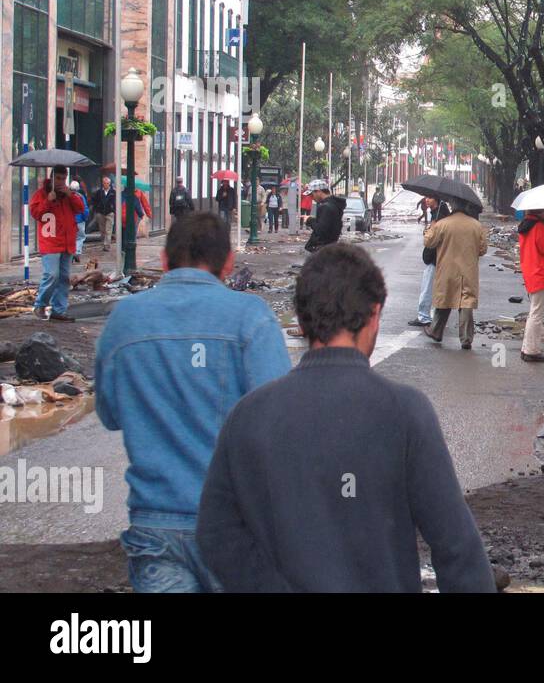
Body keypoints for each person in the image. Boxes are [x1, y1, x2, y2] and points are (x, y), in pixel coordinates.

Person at [197, 244, 494, 593]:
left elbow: (215, 533)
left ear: (302, 319)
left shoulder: (248, 415)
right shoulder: (405, 412)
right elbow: (456, 548)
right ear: (374, 314)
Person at [95, 212, 291, 592]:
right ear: (229, 264)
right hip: (235, 525)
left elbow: (110, 414)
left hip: (155, 523)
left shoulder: (124, 320)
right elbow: (279, 425)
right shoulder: (250, 319)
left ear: (164, 262)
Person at [424, 200, 488, 350]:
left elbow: (429, 242)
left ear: (453, 207)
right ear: (467, 207)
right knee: (466, 302)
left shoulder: (442, 224)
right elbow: (483, 249)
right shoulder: (476, 226)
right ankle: (466, 338)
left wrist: (430, 228)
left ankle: (436, 331)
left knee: (445, 299)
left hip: (447, 269)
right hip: (468, 270)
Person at [30, 166, 85, 322]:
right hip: (50, 242)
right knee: (51, 275)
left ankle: (58, 310)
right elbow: (36, 214)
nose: (61, 182)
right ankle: (41, 304)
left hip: (67, 242)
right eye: (58, 178)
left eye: (63, 178)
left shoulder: (69, 194)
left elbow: (81, 209)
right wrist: (48, 201)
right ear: (52, 178)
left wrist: (71, 195)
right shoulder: (41, 194)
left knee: (64, 278)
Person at [518, 209, 544, 363]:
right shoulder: (539, 227)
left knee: (533, 312)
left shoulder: (525, 225)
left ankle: (526, 347)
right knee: (536, 314)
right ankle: (531, 350)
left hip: (530, 271)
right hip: (539, 272)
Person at [409, 197, 450, 328]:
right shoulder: (437, 213)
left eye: (430, 198)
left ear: (437, 200)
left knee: (427, 287)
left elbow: (433, 239)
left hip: (435, 257)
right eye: (426, 197)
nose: (426, 200)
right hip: (438, 257)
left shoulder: (440, 216)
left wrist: (428, 232)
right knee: (435, 288)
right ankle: (430, 315)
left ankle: (424, 317)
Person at [304, 180, 346, 252]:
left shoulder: (326, 207)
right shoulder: (335, 205)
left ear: (319, 192)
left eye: (312, 194)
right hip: (329, 246)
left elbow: (321, 230)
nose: (312, 197)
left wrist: (309, 220)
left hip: (322, 248)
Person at [90, 175, 116, 252]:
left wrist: (113, 209)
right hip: (100, 213)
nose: (106, 184)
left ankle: (106, 245)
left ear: (109, 184)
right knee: (102, 230)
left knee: (108, 229)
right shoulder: (98, 192)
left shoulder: (113, 192)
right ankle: (104, 243)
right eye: (104, 183)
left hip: (110, 213)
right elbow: (94, 201)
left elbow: (116, 202)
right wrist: (96, 209)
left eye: (107, 183)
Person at [71, 180, 90, 262]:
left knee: (71, 237)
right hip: (80, 220)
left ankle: (71, 253)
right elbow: (84, 209)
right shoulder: (80, 197)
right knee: (80, 237)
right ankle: (77, 252)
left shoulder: (67, 197)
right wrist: (85, 218)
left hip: (70, 221)